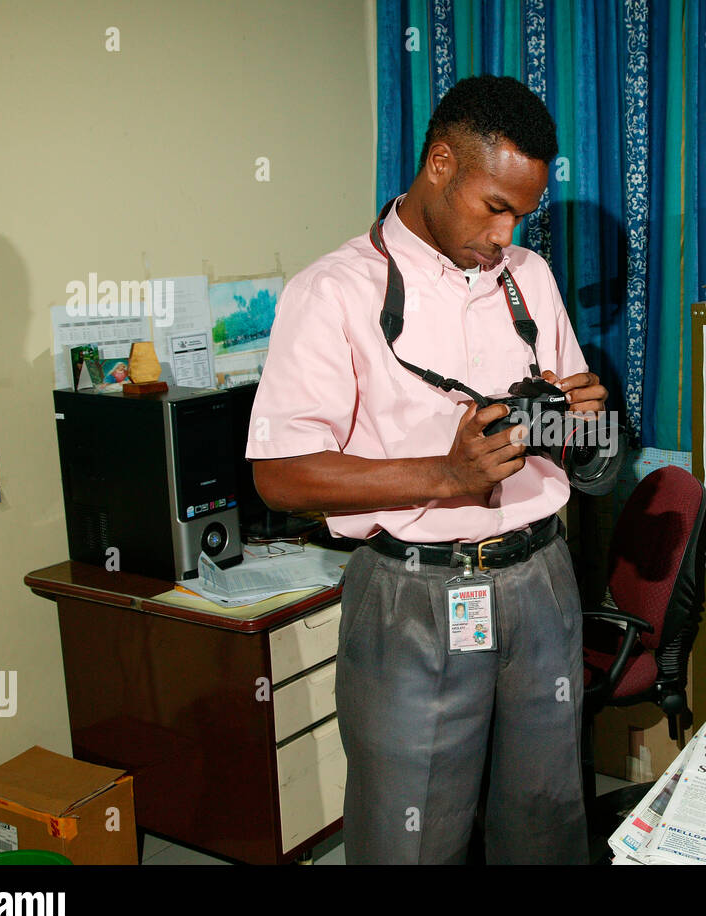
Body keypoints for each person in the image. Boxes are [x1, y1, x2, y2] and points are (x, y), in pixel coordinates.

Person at [246, 75, 605, 864]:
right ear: (440, 163)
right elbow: (279, 475)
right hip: (414, 595)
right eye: (495, 207)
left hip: (541, 580)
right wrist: (443, 475)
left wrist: (585, 421)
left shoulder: (528, 278)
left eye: (523, 214)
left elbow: (572, 428)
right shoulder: (333, 292)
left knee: (547, 826)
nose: (507, 233)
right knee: (412, 838)